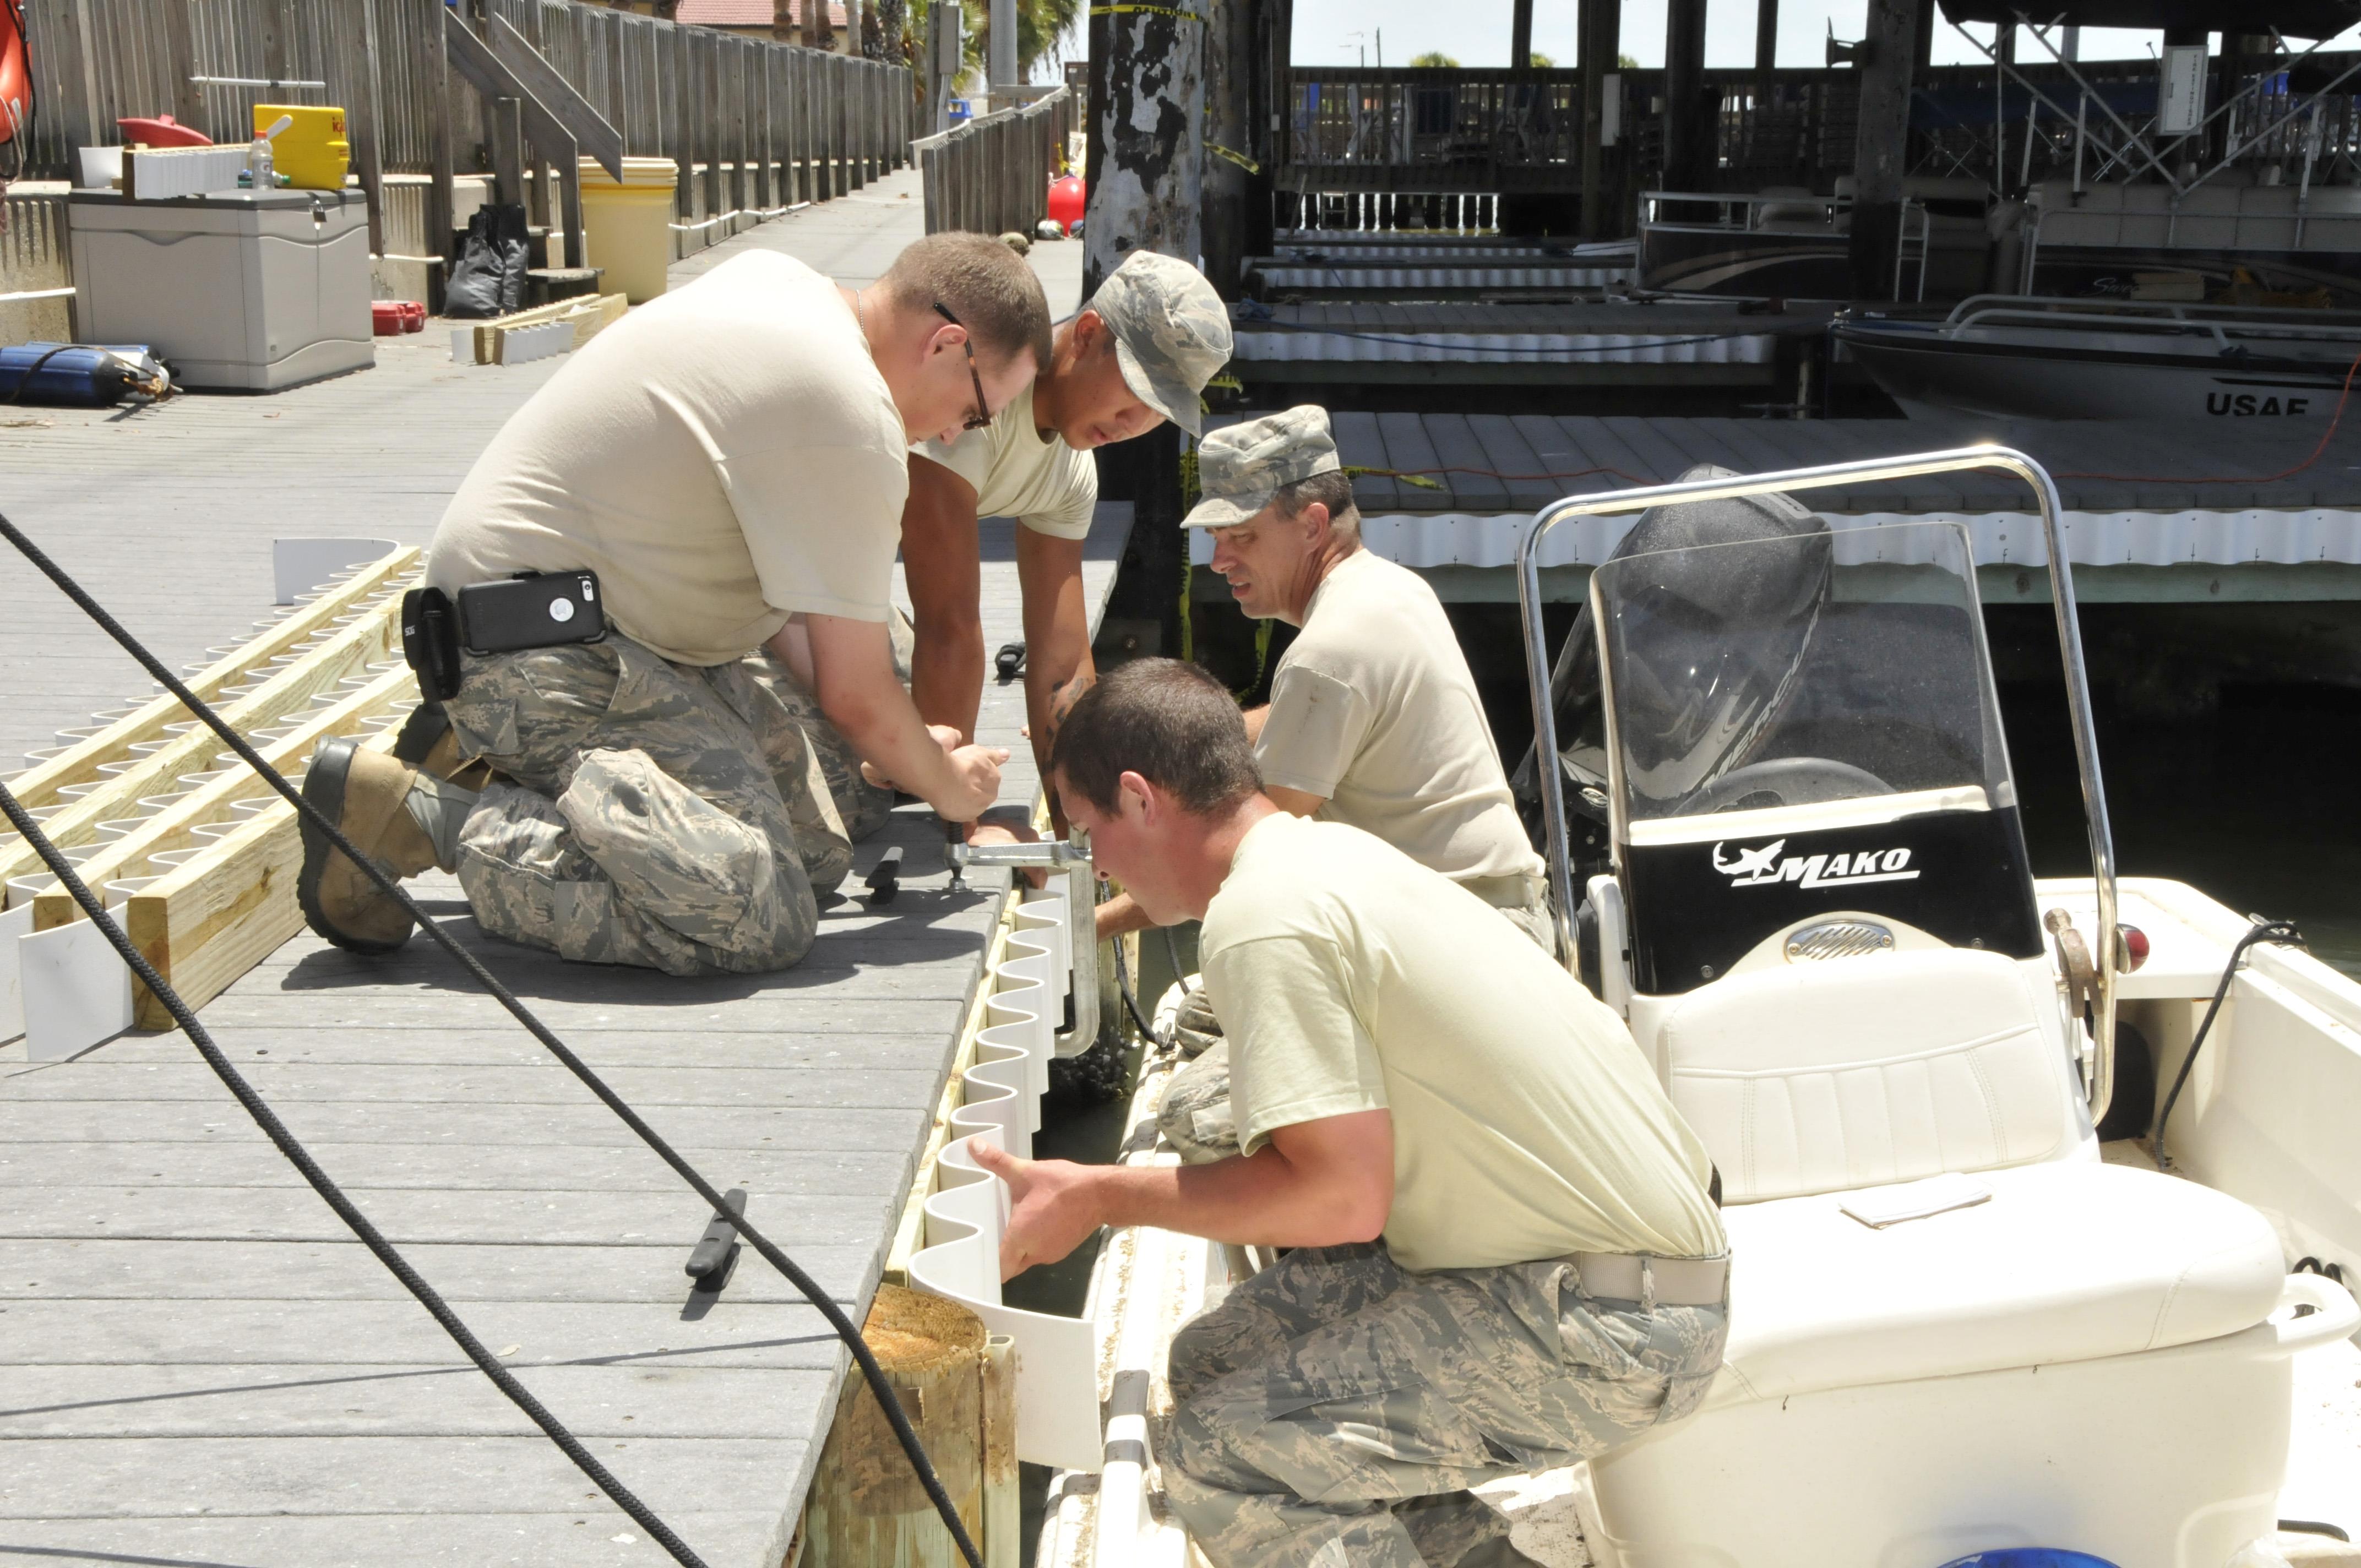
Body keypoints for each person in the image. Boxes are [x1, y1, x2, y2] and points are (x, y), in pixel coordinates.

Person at [971, 659, 1728, 1568]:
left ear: (1138, 797)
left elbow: (1338, 1201)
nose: (1092, 862)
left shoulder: (1261, 918)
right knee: (1217, 1356)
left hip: (1615, 1325)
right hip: (1584, 1276)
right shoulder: (1316, 850)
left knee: (1221, 1453)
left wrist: (1095, 1195)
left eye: (1086, 830)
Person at [296, 233, 1047, 976]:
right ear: (947, 343)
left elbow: (798, 619)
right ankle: (425, 819)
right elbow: (857, 695)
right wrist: (951, 789)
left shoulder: (789, 289)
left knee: (823, 842)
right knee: (758, 910)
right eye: (977, 412)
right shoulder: (851, 416)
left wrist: (895, 750)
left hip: (590, 626)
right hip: (536, 655)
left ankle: (499, 759)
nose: (955, 434)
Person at [760, 249, 1233, 853]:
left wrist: (1079, 831)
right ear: (1087, 335)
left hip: (825, 589)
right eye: (1136, 391)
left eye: (1160, 411)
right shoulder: (973, 394)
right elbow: (950, 625)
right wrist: (961, 822)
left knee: (895, 738)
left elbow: (1061, 663)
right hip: (756, 579)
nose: (1136, 421)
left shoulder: (1072, 474)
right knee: (856, 800)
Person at [1096, 405, 1550, 951]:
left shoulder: (1328, 650)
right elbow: (1294, 717)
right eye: (1216, 537)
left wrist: (1093, 924)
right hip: (1485, 915)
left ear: (1311, 524)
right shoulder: (1389, 588)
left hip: (1472, 941)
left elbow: (1233, 853)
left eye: (1241, 536)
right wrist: (1142, 745)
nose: (1218, 561)